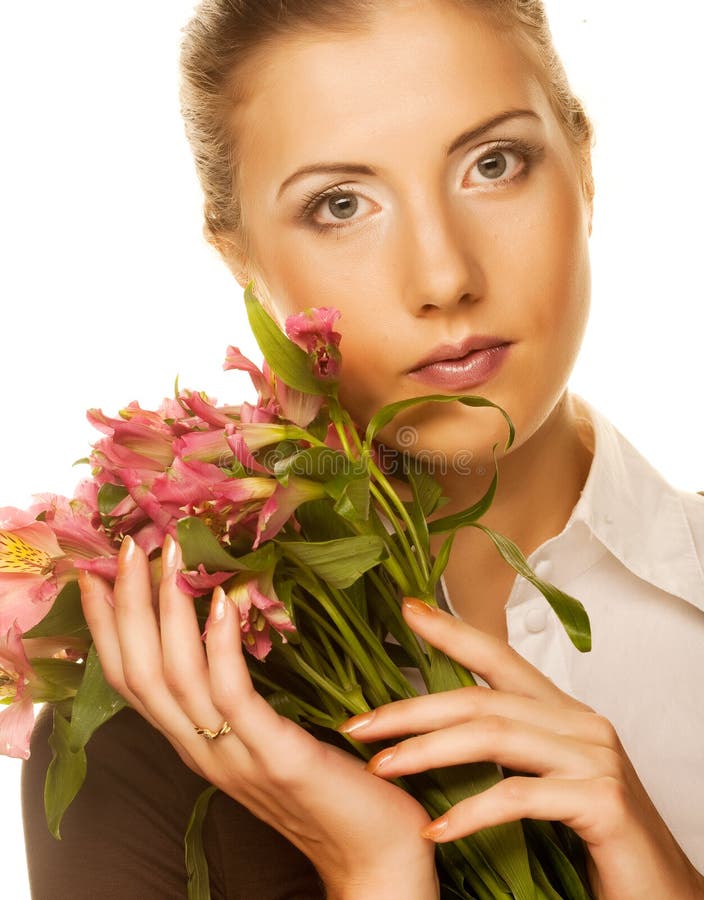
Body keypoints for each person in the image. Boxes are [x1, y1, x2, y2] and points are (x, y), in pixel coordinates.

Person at [21, 1, 704, 897]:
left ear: (581, 163)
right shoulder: (145, 730)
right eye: (341, 204)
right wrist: (378, 872)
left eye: (492, 164)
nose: (445, 277)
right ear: (239, 258)